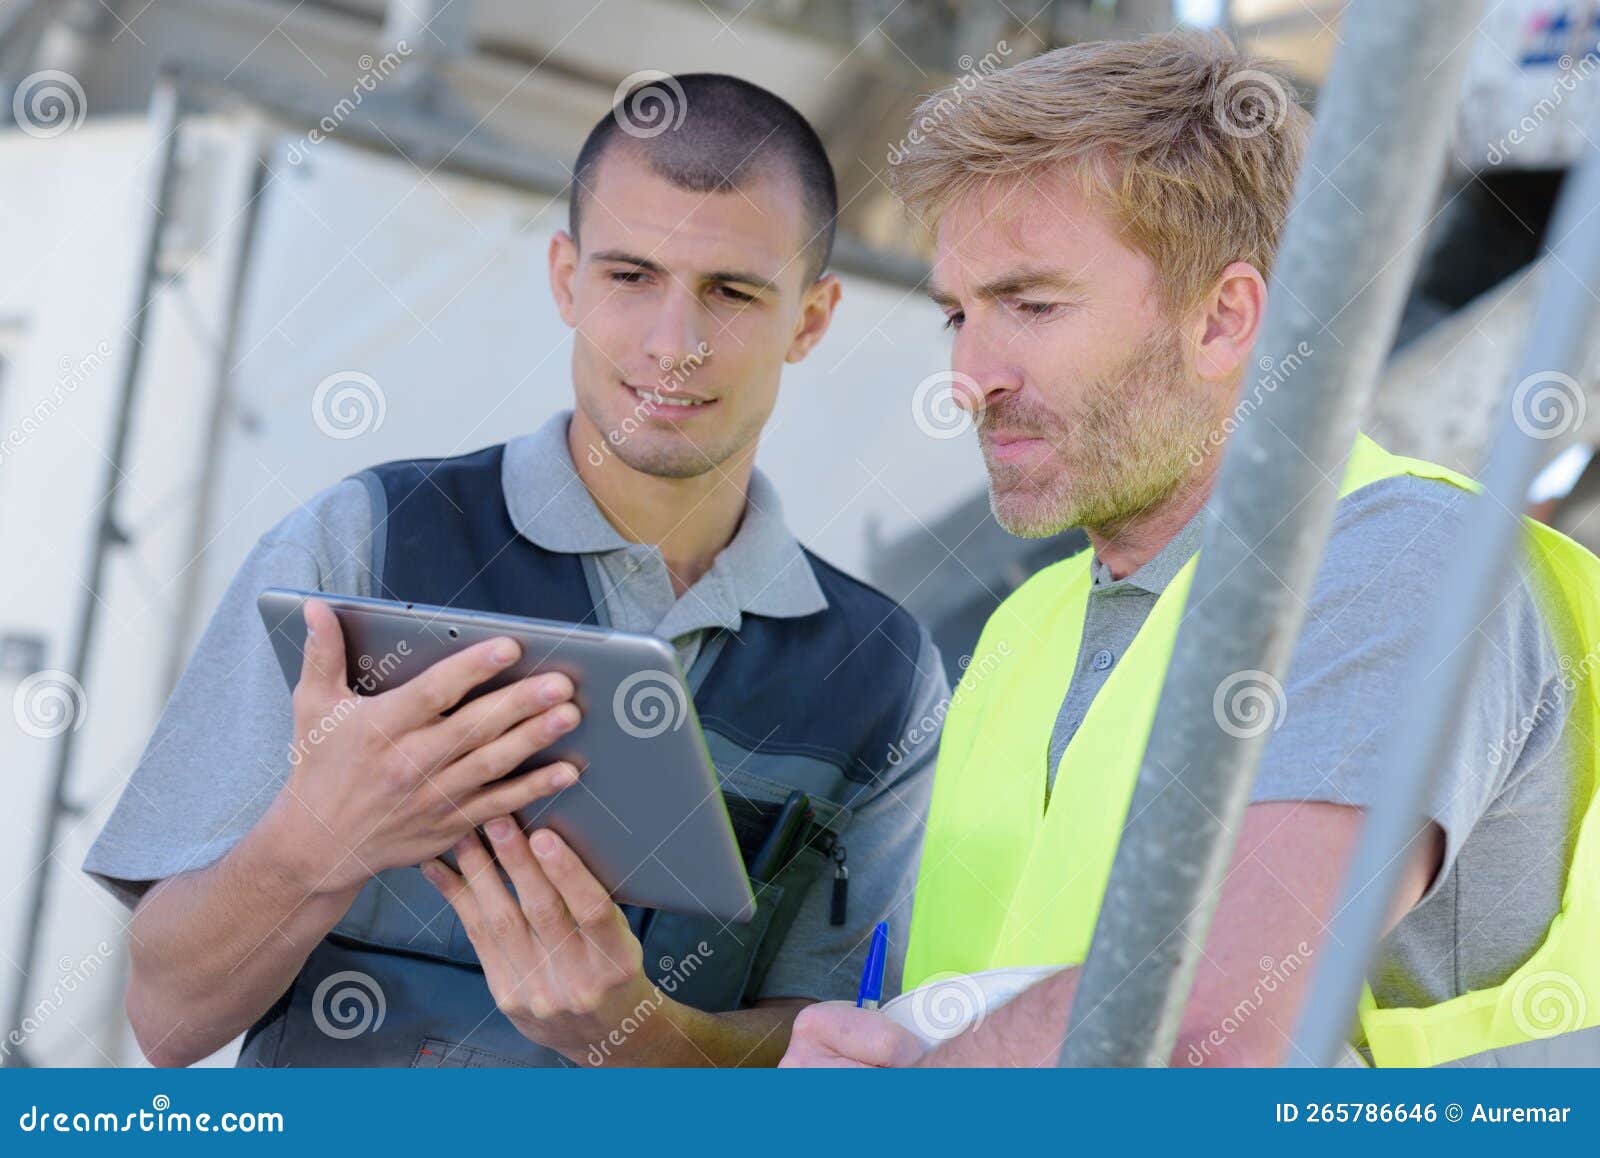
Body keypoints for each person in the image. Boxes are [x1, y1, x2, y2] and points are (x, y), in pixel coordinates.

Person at [83, 73, 946, 1068]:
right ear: (564, 279)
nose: (675, 346)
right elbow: (167, 1018)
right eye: (630, 277)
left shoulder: (881, 674)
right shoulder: (363, 544)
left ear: (811, 318)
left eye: (732, 291)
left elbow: (831, 1057)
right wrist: (318, 838)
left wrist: (633, 1031)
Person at [782, 31, 1600, 1068]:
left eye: (1031, 305)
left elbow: (1211, 1029)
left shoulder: (1403, 567)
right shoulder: (1029, 625)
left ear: (1223, 320)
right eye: (959, 314)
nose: (970, 374)